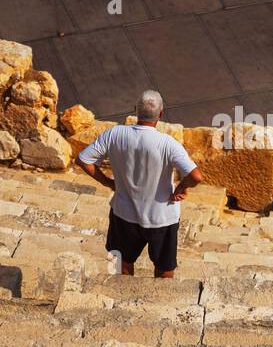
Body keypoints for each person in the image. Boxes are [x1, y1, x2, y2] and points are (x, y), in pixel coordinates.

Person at [75, 90, 203, 278]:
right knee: (164, 268)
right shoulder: (168, 143)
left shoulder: (114, 134)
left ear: (135, 111)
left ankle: (120, 294)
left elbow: (83, 160)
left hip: (123, 213)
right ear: (161, 114)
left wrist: (109, 183)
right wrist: (181, 188)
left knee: (121, 263)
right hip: (161, 217)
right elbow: (196, 176)